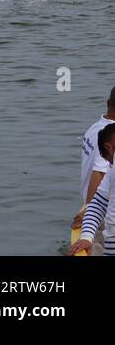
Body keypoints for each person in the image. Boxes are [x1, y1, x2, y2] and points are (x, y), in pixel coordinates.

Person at [75, 90, 115, 247]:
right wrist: (88, 209)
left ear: (107, 103)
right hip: (102, 214)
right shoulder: (110, 135)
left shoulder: (96, 127)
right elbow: (98, 173)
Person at [71, 123, 115, 256]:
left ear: (109, 148)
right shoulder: (112, 172)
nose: (111, 165)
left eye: (110, 161)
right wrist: (87, 236)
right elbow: (98, 204)